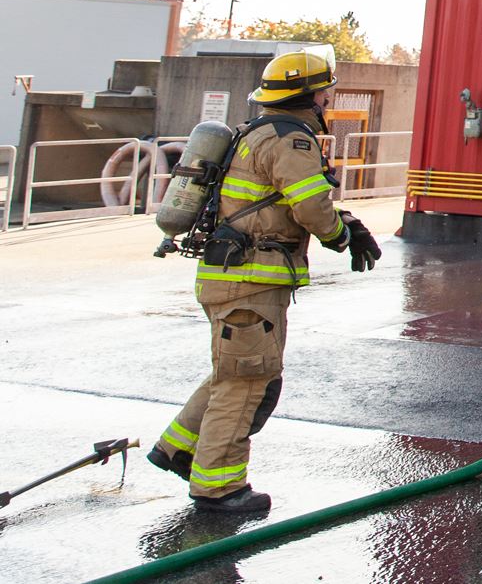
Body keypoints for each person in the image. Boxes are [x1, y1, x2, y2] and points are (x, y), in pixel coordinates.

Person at [146, 51, 382, 513]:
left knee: (233, 374)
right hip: (252, 281)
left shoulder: (255, 133)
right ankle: (219, 488)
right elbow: (311, 208)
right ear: (309, 95)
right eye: (325, 90)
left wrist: (348, 224)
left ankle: (179, 449)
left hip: (231, 275)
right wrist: (341, 236)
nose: (328, 98)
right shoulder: (290, 140)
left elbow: (273, 202)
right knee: (248, 381)